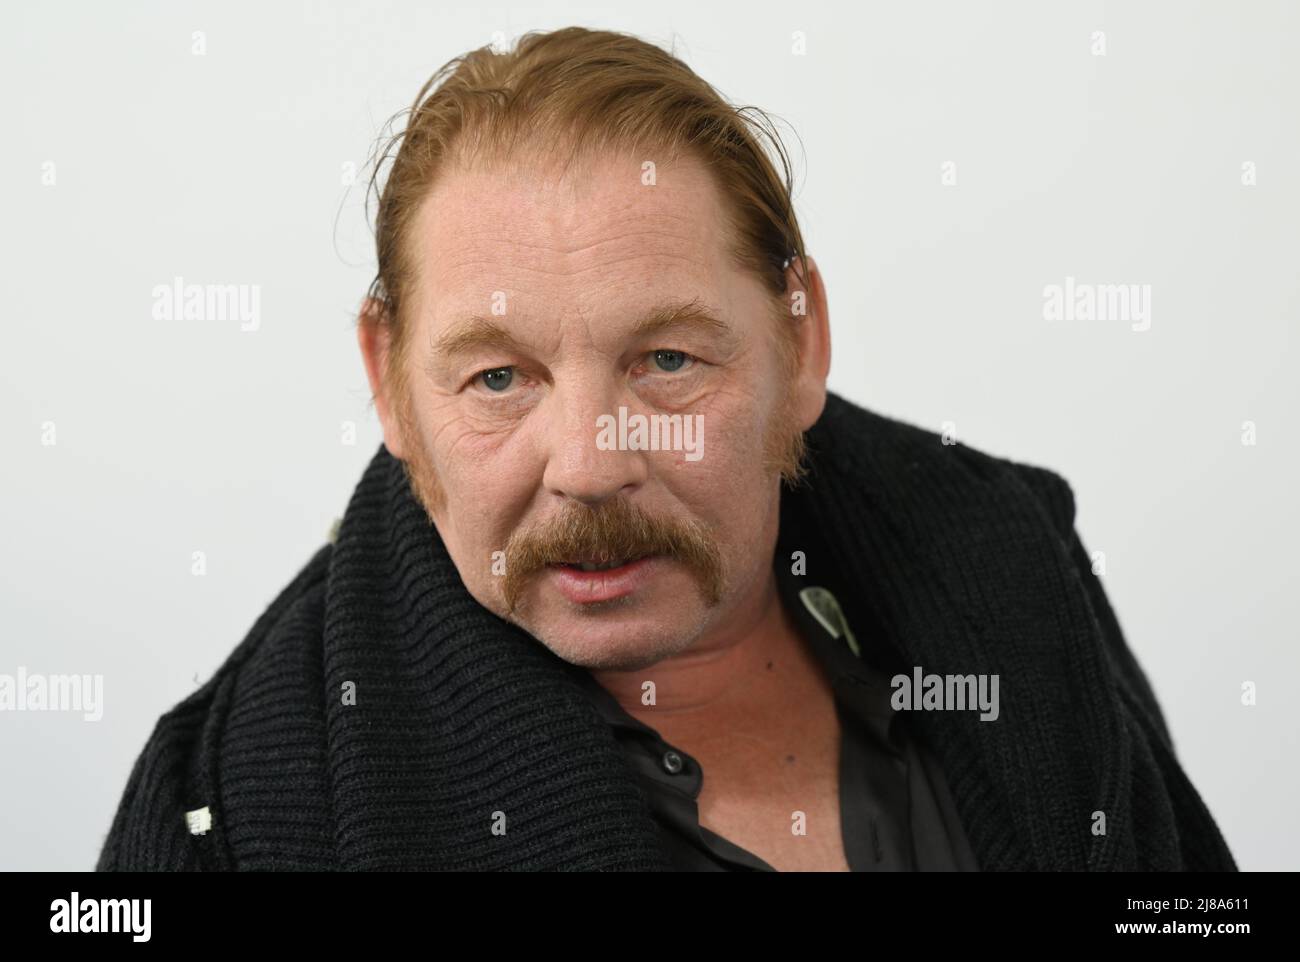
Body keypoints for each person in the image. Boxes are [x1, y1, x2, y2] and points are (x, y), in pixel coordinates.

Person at [96, 26, 1236, 872]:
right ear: (387, 380)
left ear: (801, 341)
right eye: (498, 377)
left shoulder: (1015, 564)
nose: (590, 462)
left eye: (668, 363)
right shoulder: (228, 816)